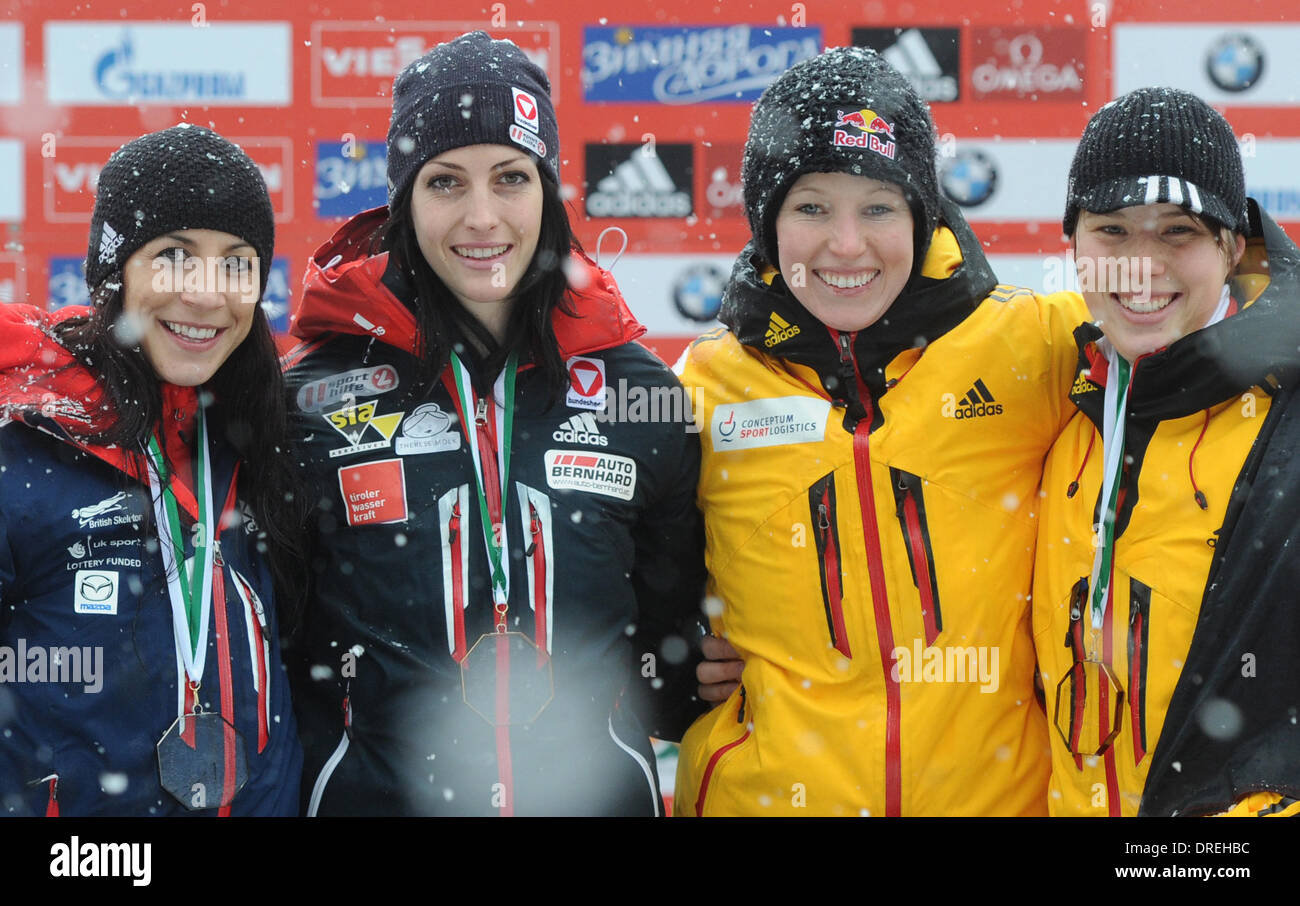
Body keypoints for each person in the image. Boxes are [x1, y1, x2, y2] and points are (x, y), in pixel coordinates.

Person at [283, 31, 705, 817]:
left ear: (547, 191)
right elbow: (274, 652)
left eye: (511, 178)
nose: (482, 218)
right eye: (445, 182)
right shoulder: (311, 401)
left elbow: (674, 647)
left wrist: (702, 674)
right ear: (404, 201)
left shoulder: (638, 395)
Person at [674, 46, 1086, 816]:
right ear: (766, 222)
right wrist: (678, 648)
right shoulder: (703, 387)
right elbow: (616, 563)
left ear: (921, 215)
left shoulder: (1034, 346)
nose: (846, 245)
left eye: (877, 207)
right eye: (811, 207)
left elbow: (1195, 337)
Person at [0, 124, 304, 816]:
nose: (206, 294)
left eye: (237, 263)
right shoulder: (24, 450)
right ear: (115, 273)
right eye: (173, 255)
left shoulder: (263, 438)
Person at [1033, 87, 1300, 817]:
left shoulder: (1285, 423)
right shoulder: (1059, 407)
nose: (1140, 266)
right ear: (1075, 245)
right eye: (1112, 231)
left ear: (1232, 247)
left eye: (1178, 231)